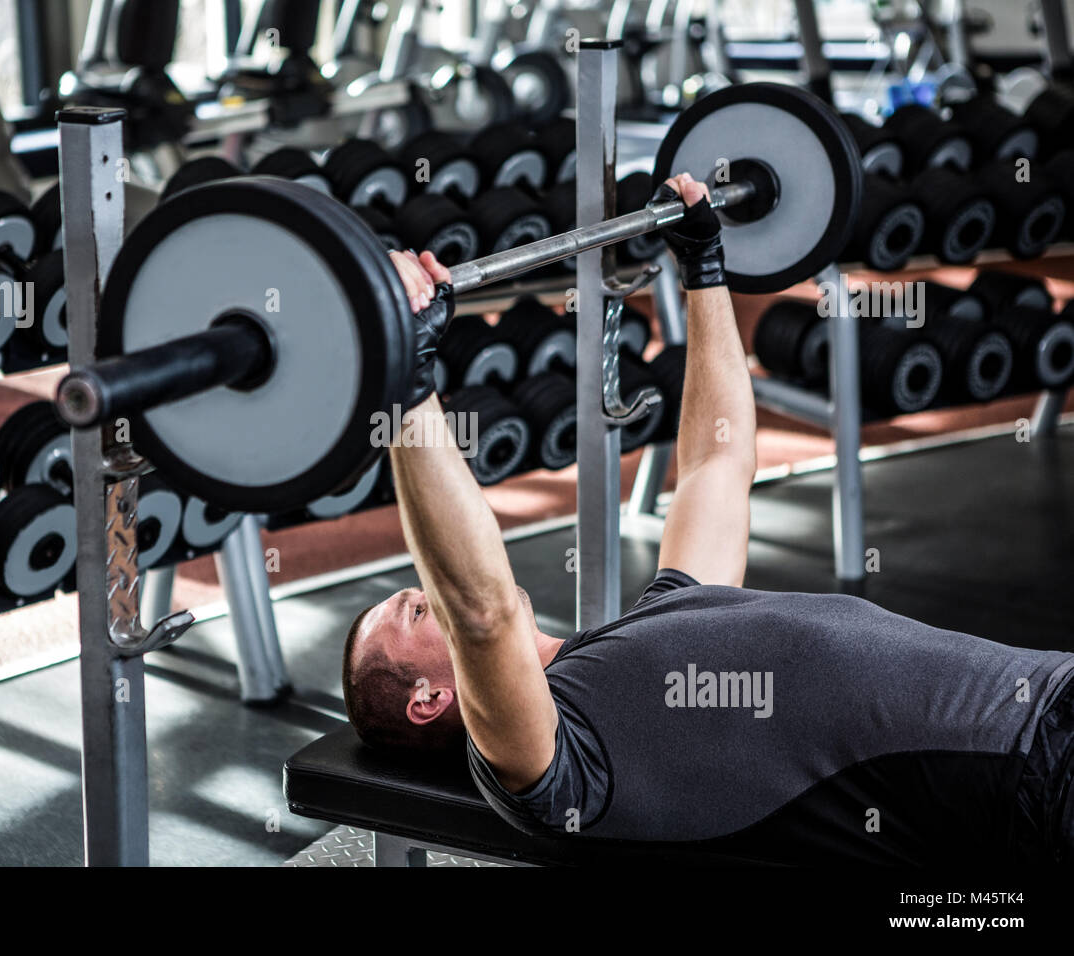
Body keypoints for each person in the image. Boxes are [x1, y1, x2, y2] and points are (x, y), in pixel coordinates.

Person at [342, 173, 1074, 865]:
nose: (428, 590)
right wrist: (410, 379)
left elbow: (716, 466)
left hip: (1051, 692)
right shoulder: (557, 765)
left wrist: (704, 267)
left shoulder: (659, 614)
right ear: (430, 698)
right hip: (1028, 785)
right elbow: (481, 611)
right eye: (415, 606)